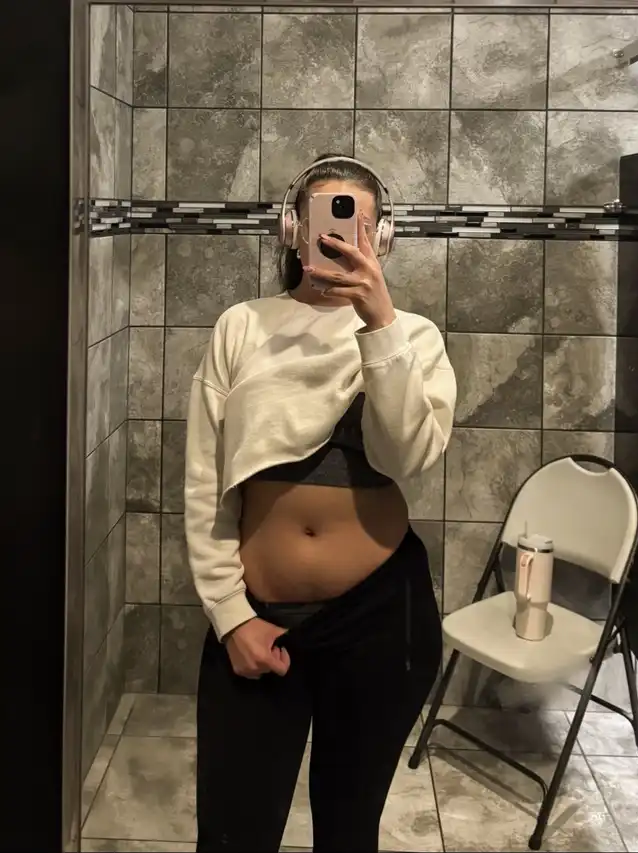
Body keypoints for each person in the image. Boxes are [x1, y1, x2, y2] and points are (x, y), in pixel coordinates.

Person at [184, 154, 457, 853]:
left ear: (382, 238)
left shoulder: (413, 336)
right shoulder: (242, 325)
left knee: (347, 829)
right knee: (232, 833)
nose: (339, 238)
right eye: (324, 219)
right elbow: (205, 482)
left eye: (358, 225)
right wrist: (230, 614)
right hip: (259, 616)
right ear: (292, 229)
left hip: (381, 618)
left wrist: (380, 323)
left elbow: (406, 458)